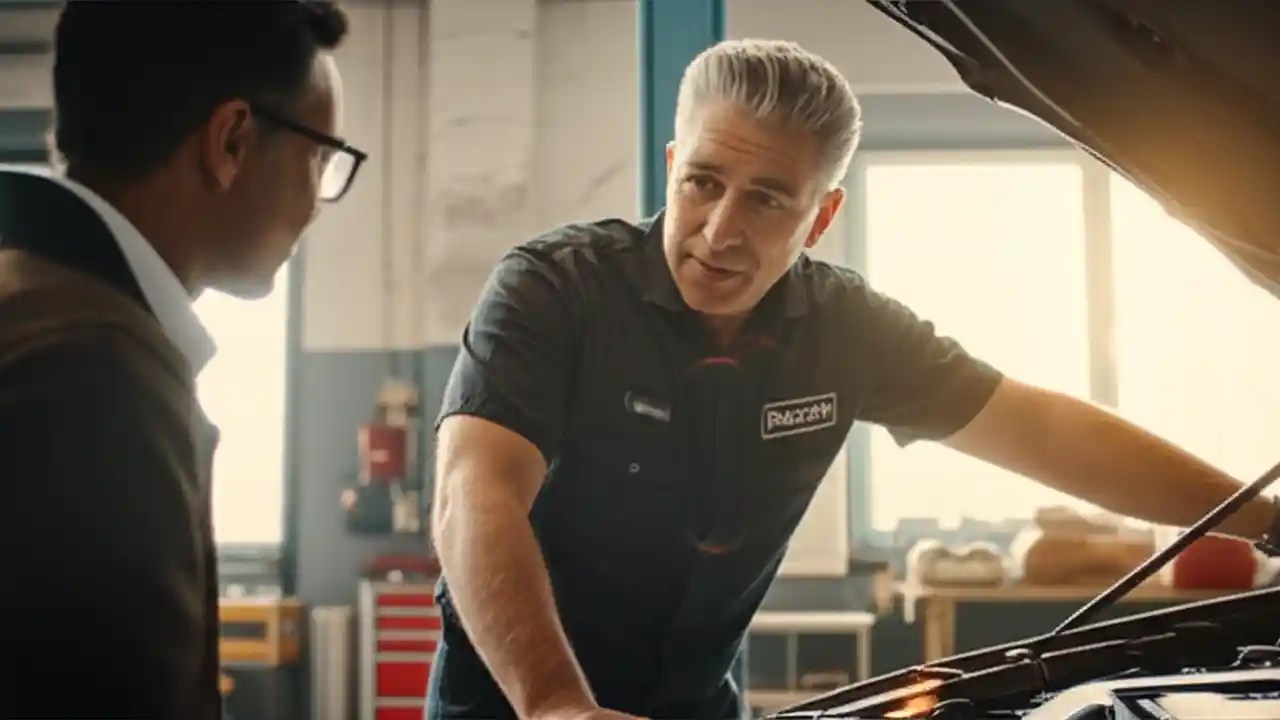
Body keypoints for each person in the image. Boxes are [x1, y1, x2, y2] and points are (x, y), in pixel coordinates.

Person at [427, 38, 1280, 720]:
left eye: (767, 199)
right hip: (511, 702)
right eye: (704, 183)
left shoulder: (847, 329)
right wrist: (557, 707)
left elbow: (1044, 431)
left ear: (822, 215)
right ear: (672, 164)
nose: (720, 230)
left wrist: (1268, 519)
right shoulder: (553, 289)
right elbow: (477, 493)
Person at [0, 2, 359, 718]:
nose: (318, 204)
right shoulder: (93, 374)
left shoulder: (40, 302)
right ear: (229, 141)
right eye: (320, 157)